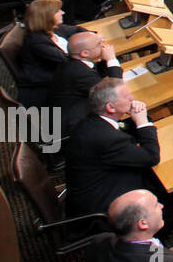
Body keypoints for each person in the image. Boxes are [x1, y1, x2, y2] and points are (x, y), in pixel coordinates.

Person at [63, 78, 162, 217]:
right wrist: (142, 121)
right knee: (170, 203)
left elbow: (130, 135)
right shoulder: (108, 138)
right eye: (126, 97)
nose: (132, 98)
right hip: (99, 204)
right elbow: (151, 157)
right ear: (110, 107)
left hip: (92, 183)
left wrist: (139, 118)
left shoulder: (94, 120)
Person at [16, 0, 82, 110]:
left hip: (62, 77)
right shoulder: (37, 41)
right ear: (46, 17)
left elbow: (78, 29)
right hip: (47, 91)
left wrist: (93, 38)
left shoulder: (54, 29)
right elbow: (68, 61)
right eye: (58, 11)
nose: (63, 12)